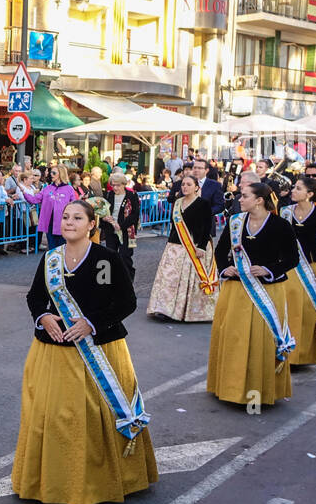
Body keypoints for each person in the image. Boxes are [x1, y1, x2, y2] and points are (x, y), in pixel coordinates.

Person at [12, 200, 156, 504]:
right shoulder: (51, 258)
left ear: (92, 225)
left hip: (99, 347)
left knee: (93, 416)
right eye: (65, 217)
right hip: (53, 349)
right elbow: (35, 296)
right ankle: (51, 482)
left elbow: (126, 302)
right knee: (51, 417)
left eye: (77, 218)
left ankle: (99, 482)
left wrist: (91, 323)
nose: (68, 222)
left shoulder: (106, 259)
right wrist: (44, 317)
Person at [207, 182, 300, 407]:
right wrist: (224, 268)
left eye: (245, 196)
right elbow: (221, 251)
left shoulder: (280, 226)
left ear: (259, 200)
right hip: (236, 290)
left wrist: (269, 270)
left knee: (261, 342)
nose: (240, 199)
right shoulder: (236, 222)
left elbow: (292, 259)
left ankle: (259, 392)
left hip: (267, 291)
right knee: (233, 339)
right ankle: (229, 389)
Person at [279, 176, 316, 367]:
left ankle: (303, 356)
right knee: (289, 310)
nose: (293, 190)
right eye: (294, 187)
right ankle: (286, 353)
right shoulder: (284, 212)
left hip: (312, 267)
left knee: (308, 312)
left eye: (298, 188)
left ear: (309, 194)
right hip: (289, 267)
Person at [147, 173, 218, 322]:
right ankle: (164, 309)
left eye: (189, 184)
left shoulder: (203, 203)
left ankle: (185, 311)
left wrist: (202, 247)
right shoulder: (178, 203)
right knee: (168, 278)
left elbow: (206, 227)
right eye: (183, 184)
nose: (185, 187)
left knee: (188, 280)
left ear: (196, 187)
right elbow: (174, 226)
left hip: (194, 246)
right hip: (175, 245)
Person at [100, 170, 140, 280]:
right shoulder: (109, 194)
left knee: (125, 256)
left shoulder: (131, 196)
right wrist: (104, 218)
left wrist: (121, 225)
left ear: (124, 184)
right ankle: (111, 281)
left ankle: (128, 279)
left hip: (127, 232)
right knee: (111, 256)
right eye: (113, 185)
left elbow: (134, 215)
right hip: (111, 231)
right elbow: (104, 210)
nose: (115, 188)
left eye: (118, 185)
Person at [37, 164, 77, 251]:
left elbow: (74, 205)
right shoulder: (47, 188)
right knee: (52, 249)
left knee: (63, 248)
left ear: (60, 174)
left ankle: (64, 264)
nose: (51, 174)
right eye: (51, 172)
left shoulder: (69, 188)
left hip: (63, 223)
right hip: (50, 223)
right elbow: (35, 199)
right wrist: (23, 191)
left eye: (54, 173)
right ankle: (53, 264)